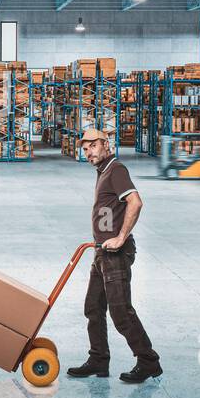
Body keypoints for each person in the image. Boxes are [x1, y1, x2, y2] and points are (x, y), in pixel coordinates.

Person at [67, 127, 162, 383]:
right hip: (101, 252)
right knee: (93, 308)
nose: (88, 152)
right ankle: (99, 359)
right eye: (85, 149)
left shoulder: (116, 170)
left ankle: (148, 361)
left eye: (93, 146)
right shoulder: (103, 171)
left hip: (115, 254)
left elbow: (135, 201)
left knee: (120, 312)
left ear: (105, 144)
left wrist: (120, 237)